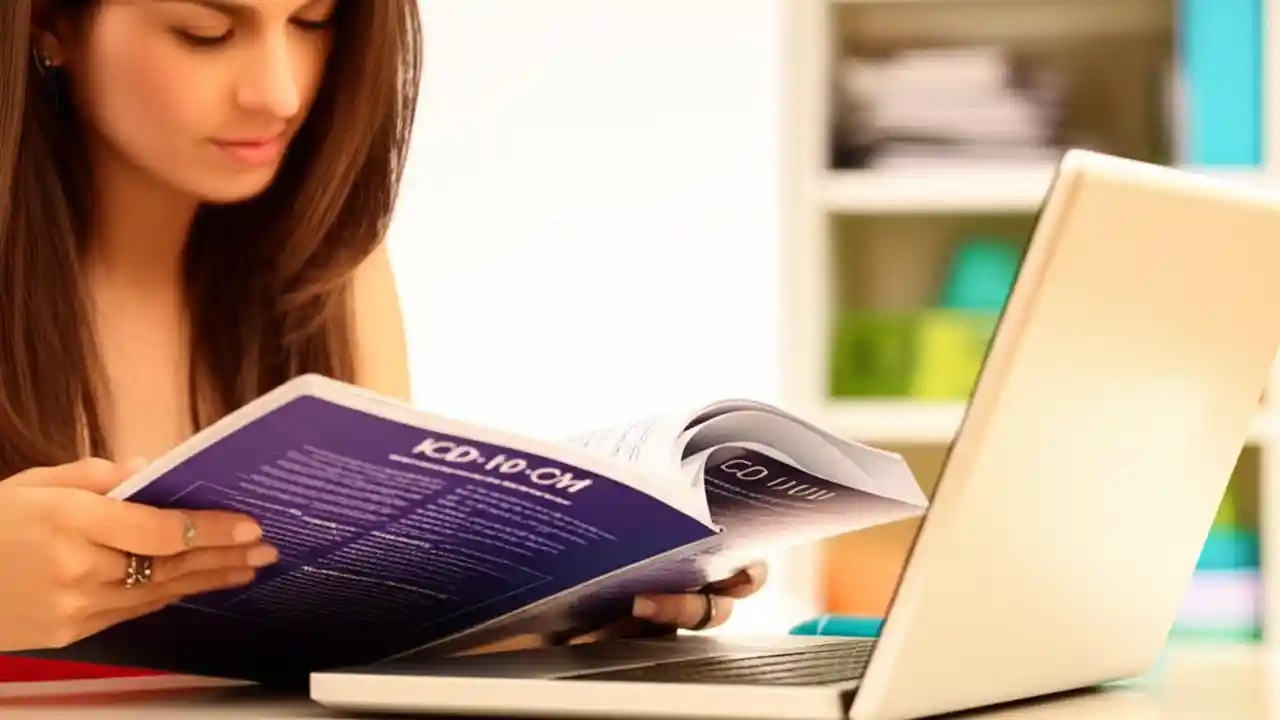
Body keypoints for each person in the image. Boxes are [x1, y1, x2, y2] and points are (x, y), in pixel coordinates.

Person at [0, 0, 767, 681]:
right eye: (205, 33)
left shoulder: (331, 269)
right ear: (50, 21)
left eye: (314, 23)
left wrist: (588, 608)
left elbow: (363, 645)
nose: (280, 91)